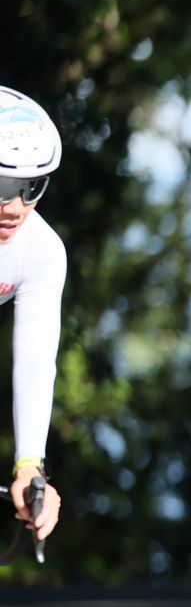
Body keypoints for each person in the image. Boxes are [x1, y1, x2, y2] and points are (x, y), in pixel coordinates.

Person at [0, 85, 66, 543]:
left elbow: (36, 359)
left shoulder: (41, 251)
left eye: (32, 187)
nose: (16, 206)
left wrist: (29, 464)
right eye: (2, 185)